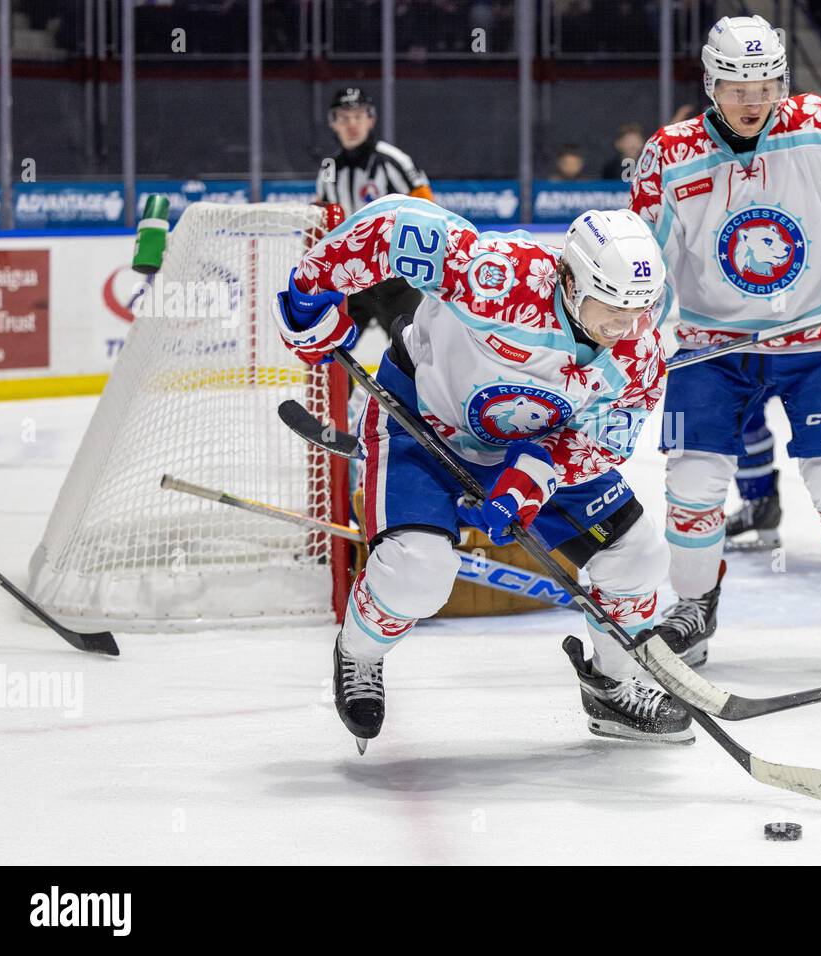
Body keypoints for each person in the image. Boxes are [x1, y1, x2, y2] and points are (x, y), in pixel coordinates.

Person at [274, 197, 695, 747]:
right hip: (423, 424)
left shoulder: (639, 346)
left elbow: (604, 441)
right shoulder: (501, 277)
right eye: (611, 308)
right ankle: (359, 652)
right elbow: (394, 226)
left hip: (530, 448)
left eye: (641, 308)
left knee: (637, 555)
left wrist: (531, 477)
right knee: (417, 572)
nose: (627, 325)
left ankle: (613, 687)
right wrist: (312, 292)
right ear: (569, 282)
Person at [630, 16, 821, 667]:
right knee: (693, 484)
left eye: (766, 84)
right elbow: (640, 256)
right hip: (713, 346)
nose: (753, 100)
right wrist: (633, 332)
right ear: (711, 84)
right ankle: (693, 606)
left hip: (820, 340)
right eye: (737, 86)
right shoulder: (669, 154)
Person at [316, 86, 432, 217]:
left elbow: (428, 211)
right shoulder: (328, 167)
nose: (352, 125)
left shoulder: (395, 160)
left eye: (358, 116)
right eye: (344, 118)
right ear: (333, 124)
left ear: (371, 120)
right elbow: (320, 219)